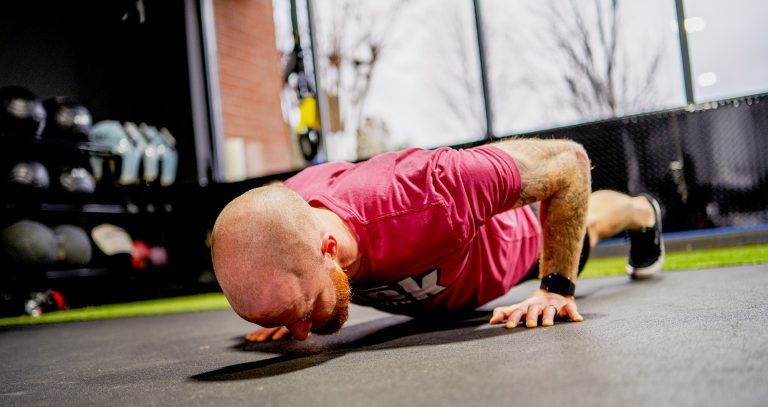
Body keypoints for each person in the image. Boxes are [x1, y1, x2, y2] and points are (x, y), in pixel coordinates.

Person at [211, 138, 664, 342]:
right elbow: (270, 221)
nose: (301, 334)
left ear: (328, 247)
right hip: (444, 282)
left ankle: (643, 211)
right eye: (296, 318)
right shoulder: (290, 225)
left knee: (592, 223)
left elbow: (569, 162)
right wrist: (290, 306)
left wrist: (556, 288)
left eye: (305, 311)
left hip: (512, 246)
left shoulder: (434, 190)